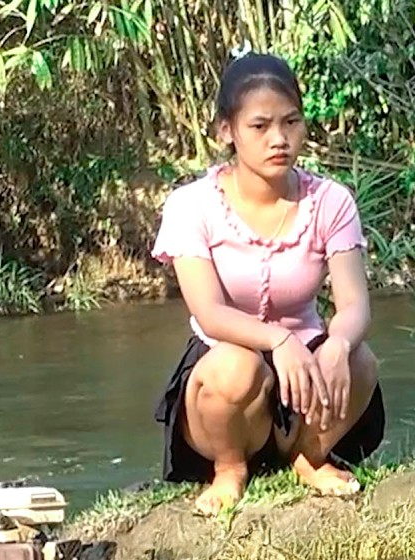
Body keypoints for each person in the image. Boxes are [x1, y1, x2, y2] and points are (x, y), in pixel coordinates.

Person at [150, 51, 386, 517]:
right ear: (227, 131)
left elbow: (355, 304)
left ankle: (309, 457)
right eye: (260, 126)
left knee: (359, 359)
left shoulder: (331, 201)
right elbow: (209, 313)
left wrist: (336, 344)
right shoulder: (191, 205)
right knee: (235, 367)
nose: (279, 139)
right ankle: (230, 468)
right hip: (223, 386)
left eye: (291, 122)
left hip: (307, 378)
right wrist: (278, 339)